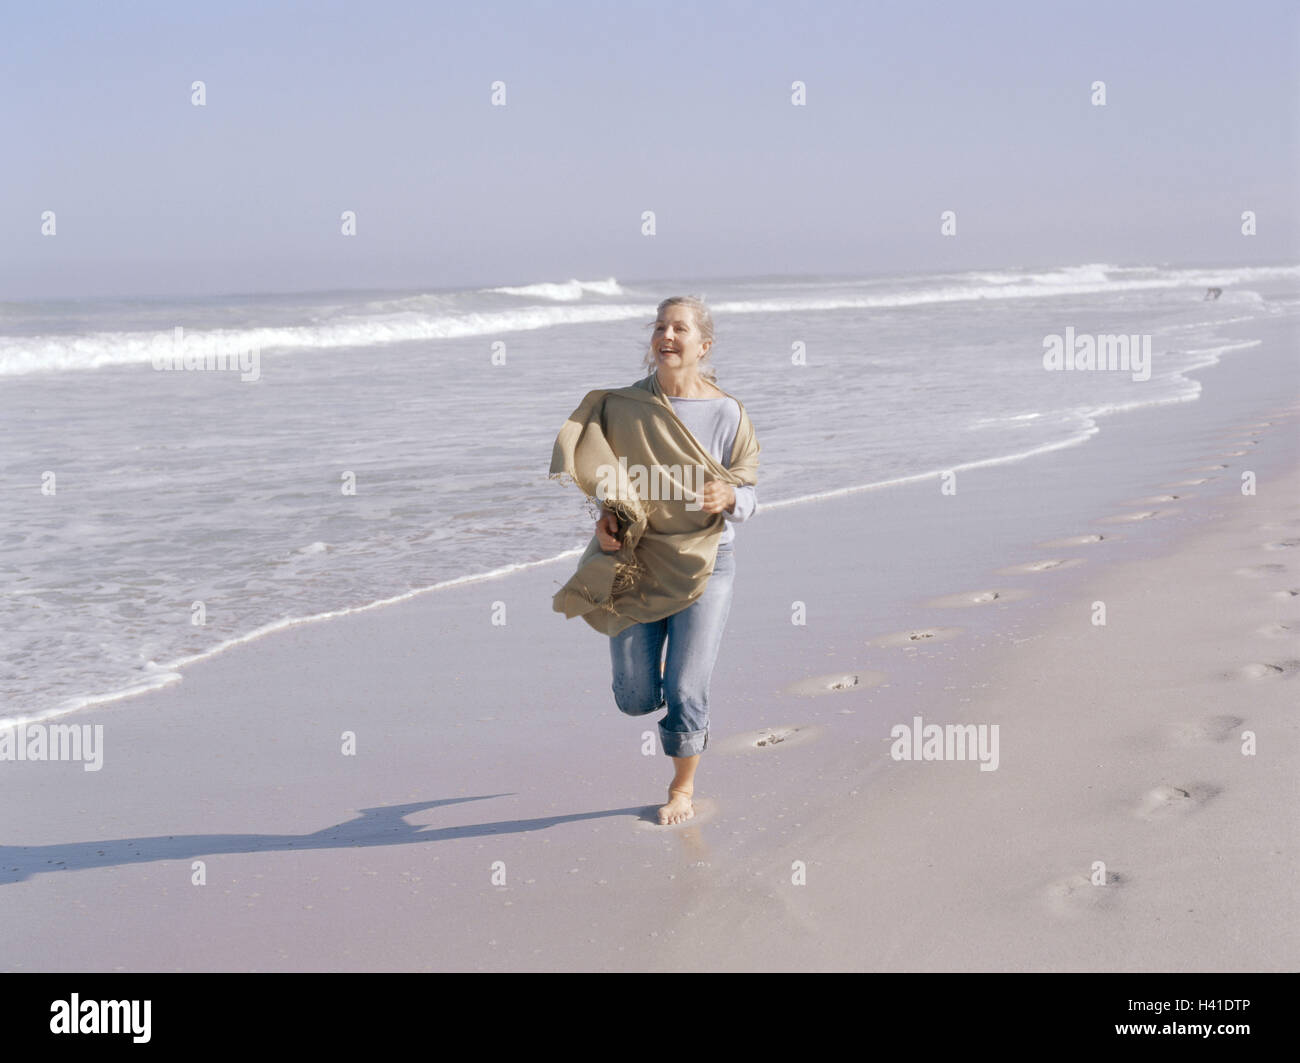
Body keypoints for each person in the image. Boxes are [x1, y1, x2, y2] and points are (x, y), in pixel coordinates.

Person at [549, 295, 759, 824]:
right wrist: (605, 518)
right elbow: (607, 476)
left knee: (686, 688)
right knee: (638, 696)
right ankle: (663, 668)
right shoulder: (624, 407)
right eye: (660, 326)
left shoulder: (727, 413)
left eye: (680, 328)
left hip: (707, 563)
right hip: (636, 561)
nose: (667, 335)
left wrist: (730, 499)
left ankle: (682, 788)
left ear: (703, 345)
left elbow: (751, 494)